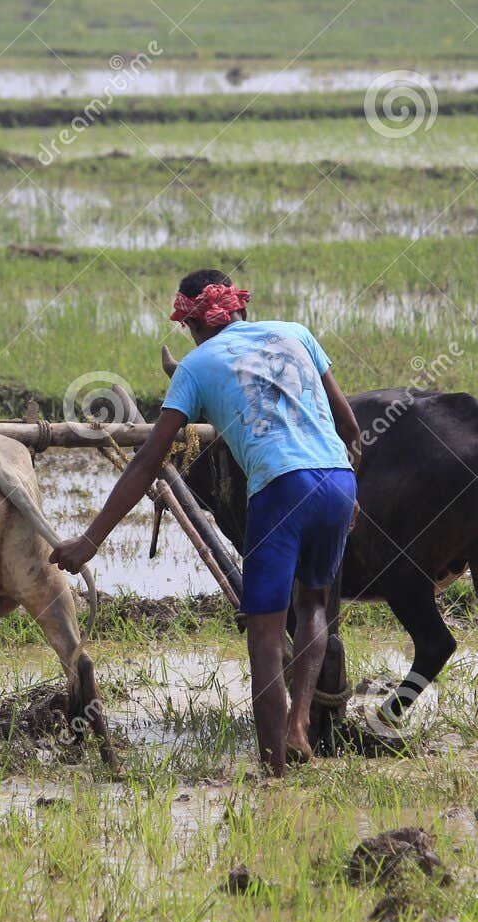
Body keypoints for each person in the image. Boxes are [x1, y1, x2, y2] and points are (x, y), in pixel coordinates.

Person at [50, 270, 361, 775]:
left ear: (193, 325)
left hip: (281, 488)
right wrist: (353, 494)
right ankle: (300, 724)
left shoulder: (194, 367)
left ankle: (275, 771)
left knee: (263, 633)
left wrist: (90, 539)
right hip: (337, 479)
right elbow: (348, 426)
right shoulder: (296, 333)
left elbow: (150, 458)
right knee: (313, 604)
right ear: (239, 307)